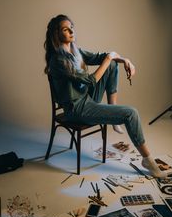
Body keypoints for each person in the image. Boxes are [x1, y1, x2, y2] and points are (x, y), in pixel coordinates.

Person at [44, 14, 165, 178]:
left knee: (112, 65)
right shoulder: (58, 60)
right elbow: (91, 80)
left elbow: (102, 58)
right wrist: (109, 58)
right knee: (131, 113)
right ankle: (147, 160)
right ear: (56, 34)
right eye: (66, 29)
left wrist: (124, 60)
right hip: (76, 110)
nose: (72, 31)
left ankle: (112, 112)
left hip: (86, 99)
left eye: (72, 27)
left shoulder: (75, 51)